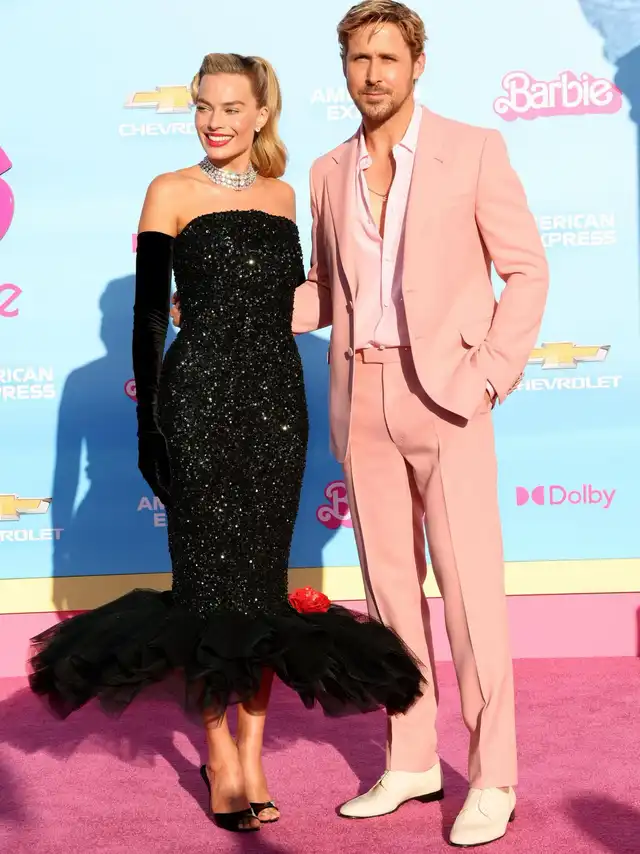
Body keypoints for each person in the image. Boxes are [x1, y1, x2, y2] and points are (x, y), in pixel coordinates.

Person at [172, 3, 550, 844]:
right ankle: (412, 758)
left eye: (386, 57)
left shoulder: (474, 150)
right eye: (357, 59)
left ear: (417, 64)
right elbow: (323, 292)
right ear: (343, 68)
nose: (372, 74)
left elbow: (527, 271)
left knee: (471, 599)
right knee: (388, 599)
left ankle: (494, 776)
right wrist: (228, 310)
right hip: (362, 395)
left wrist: (490, 375)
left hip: (447, 395)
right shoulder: (327, 170)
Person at [27, 52, 425, 834]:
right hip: (197, 405)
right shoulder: (168, 191)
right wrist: (150, 426)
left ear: (262, 113)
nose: (215, 121)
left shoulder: (284, 196)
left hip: (276, 406)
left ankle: (253, 754)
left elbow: (297, 300)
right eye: (204, 106)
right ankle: (221, 755)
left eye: (231, 107)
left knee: (261, 591)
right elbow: (150, 316)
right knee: (207, 588)